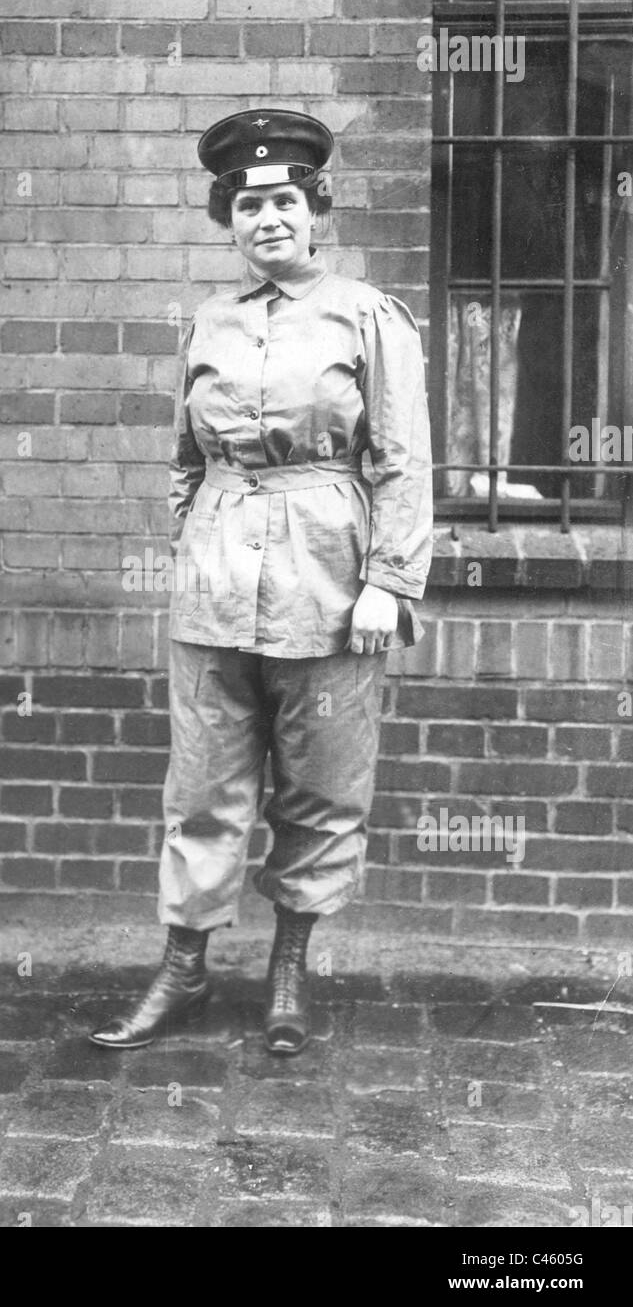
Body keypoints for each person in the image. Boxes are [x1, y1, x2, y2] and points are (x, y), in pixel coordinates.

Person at [90, 109, 433, 1055]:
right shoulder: (209, 322)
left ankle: (288, 969)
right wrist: (194, 541)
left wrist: (387, 582)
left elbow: (404, 463)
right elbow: (182, 463)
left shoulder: (367, 314)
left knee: (319, 790)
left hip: (330, 585)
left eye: (284, 199)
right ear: (226, 217)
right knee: (200, 789)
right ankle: (182, 969)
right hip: (212, 589)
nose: (267, 218)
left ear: (315, 208)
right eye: (248, 204)